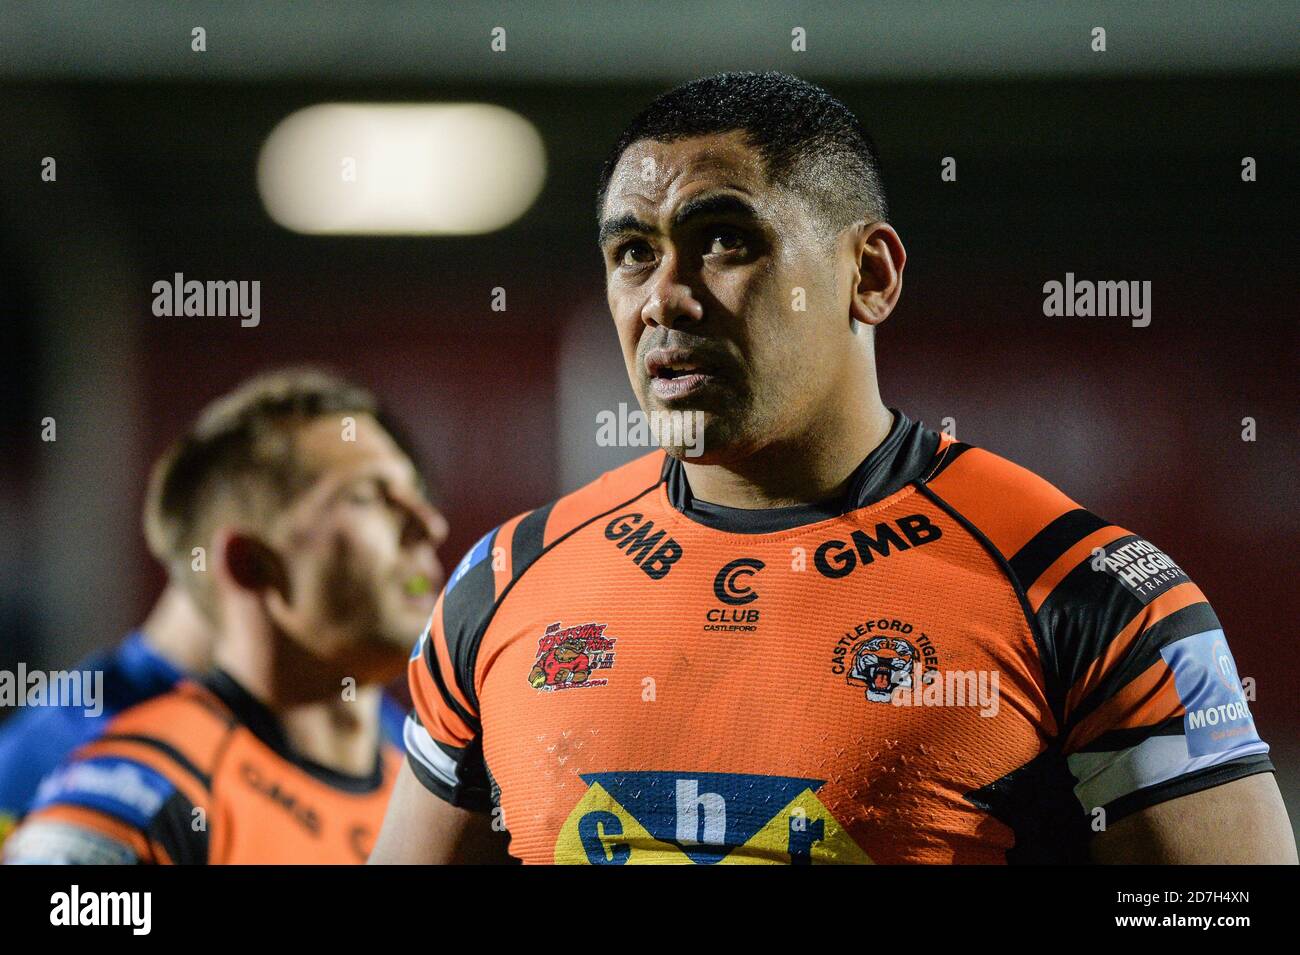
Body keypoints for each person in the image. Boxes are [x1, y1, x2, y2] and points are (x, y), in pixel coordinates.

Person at [372, 72, 1295, 865]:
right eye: (632, 253)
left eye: (726, 240)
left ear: (872, 275)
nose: (666, 298)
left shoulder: (1088, 598)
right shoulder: (502, 586)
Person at [5, 368, 447, 863]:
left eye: (417, 494)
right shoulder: (129, 801)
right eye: (367, 497)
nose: (430, 525)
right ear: (249, 564)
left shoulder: (429, 779)